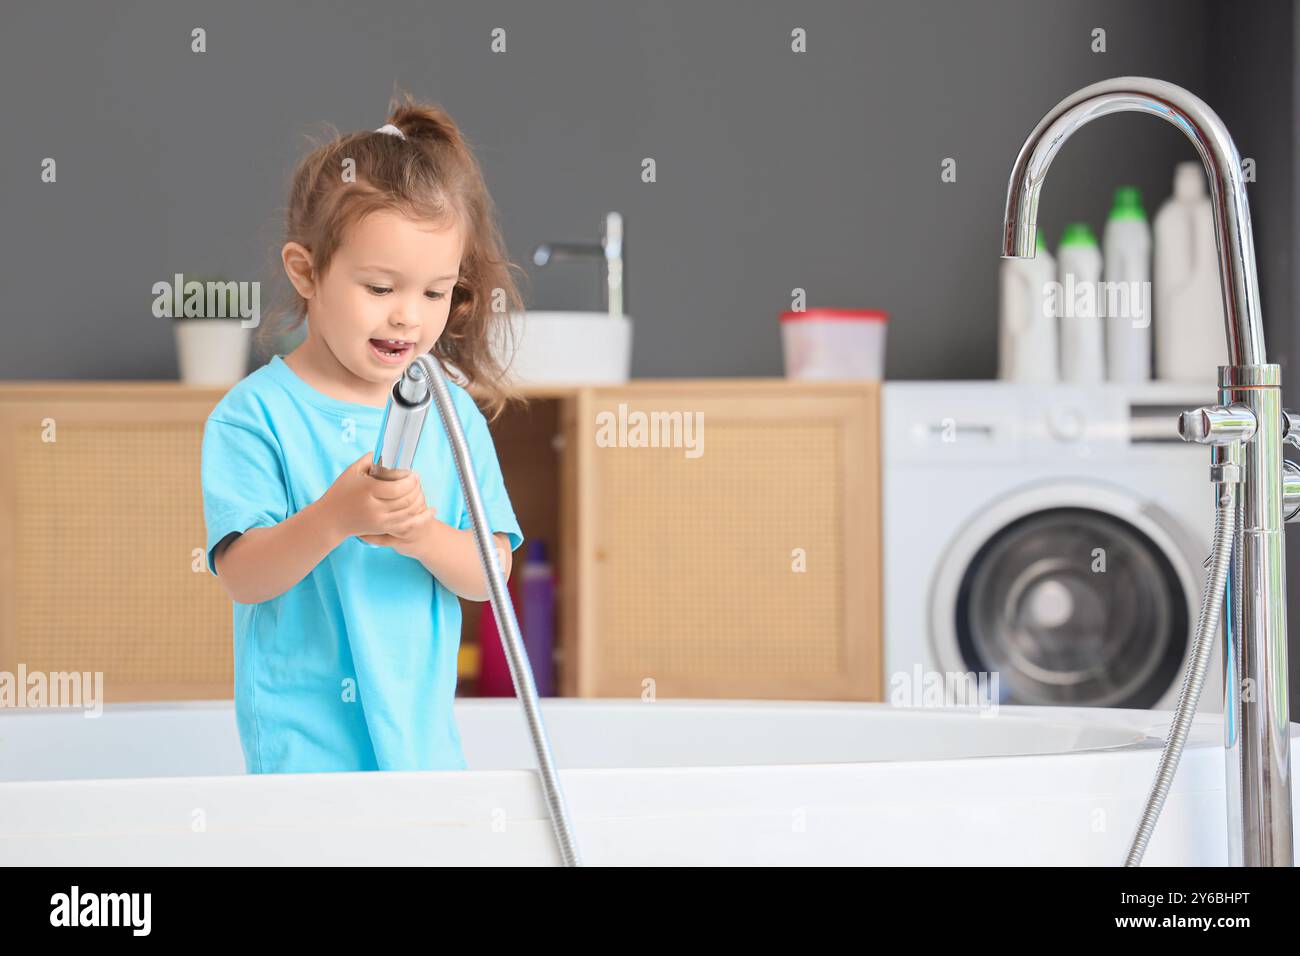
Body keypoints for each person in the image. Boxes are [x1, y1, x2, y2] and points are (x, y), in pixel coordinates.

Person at [201, 95, 525, 773]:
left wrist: (423, 536)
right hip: (302, 749)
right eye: (380, 287)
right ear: (306, 271)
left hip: (420, 750)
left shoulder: (451, 413)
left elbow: (490, 574)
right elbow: (244, 577)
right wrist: (333, 518)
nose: (409, 317)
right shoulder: (255, 415)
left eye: (436, 293)